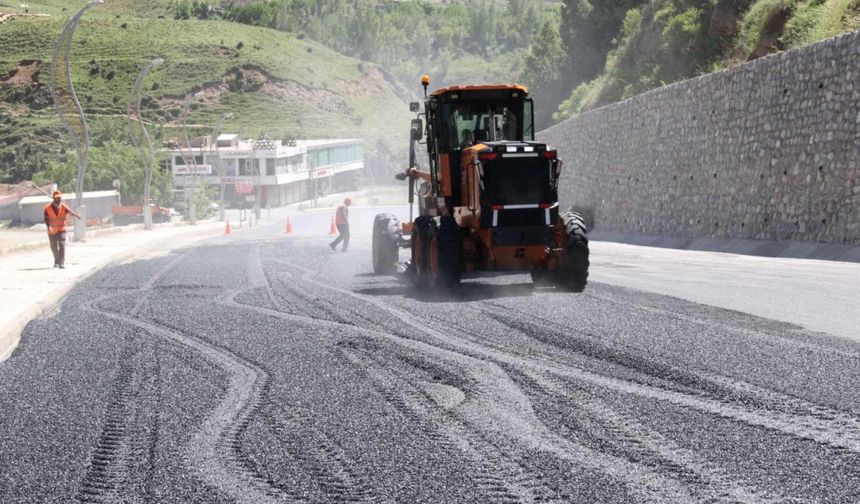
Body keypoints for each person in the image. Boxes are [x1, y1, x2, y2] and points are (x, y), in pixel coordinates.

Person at [43, 190, 80, 269]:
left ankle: (61, 263)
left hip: (61, 229)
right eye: (56, 198)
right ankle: (56, 260)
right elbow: (46, 219)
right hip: (52, 230)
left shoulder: (64, 207)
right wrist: (49, 227)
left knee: (62, 245)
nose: (58, 199)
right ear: (53, 198)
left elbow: (71, 213)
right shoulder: (47, 208)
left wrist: (76, 215)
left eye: (59, 197)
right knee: (53, 247)